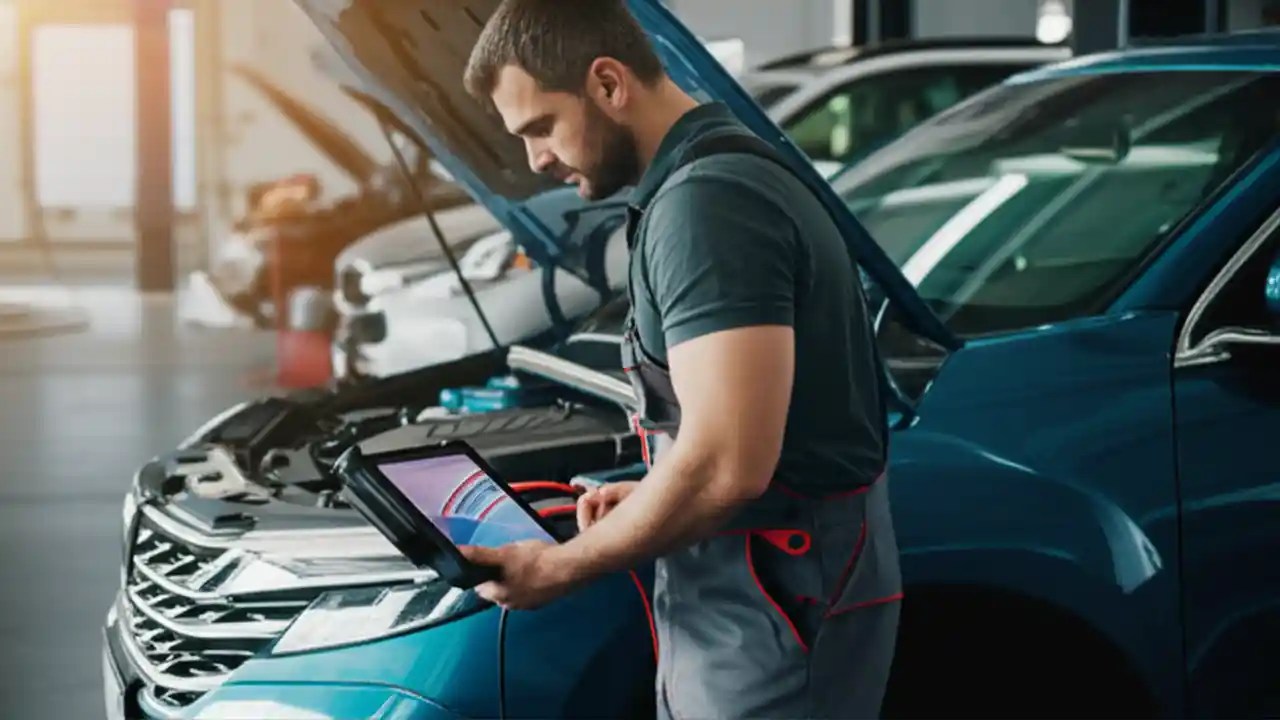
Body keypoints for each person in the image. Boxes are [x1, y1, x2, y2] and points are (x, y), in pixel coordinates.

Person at [456, 1, 902, 717]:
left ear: (608, 85)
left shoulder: (709, 203)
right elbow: (744, 439)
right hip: (749, 605)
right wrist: (657, 487)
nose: (536, 160)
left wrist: (558, 567)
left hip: (777, 613)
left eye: (541, 126)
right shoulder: (703, 182)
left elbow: (728, 465)